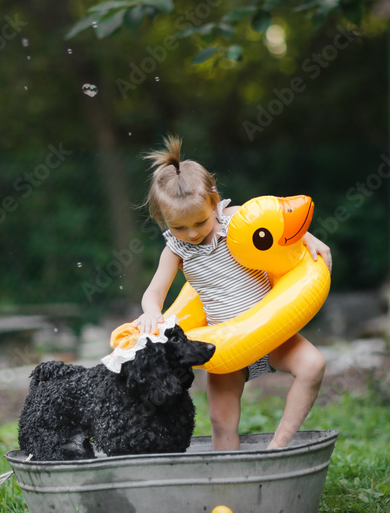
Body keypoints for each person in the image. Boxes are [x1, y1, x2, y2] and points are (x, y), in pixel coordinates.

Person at [134, 135, 332, 451]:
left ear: (215, 199)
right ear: (163, 219)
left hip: (272, 336)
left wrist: (309, 238)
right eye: (180, 227)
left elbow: (278, 223)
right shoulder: (175, 250)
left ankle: (277, 447)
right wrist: (151, 311)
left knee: (313, 366)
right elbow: (154, 291)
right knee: (221, 422)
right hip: (226, 347)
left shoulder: (236, 220)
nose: (193, 233)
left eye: (200, 221)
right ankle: (227, 485)